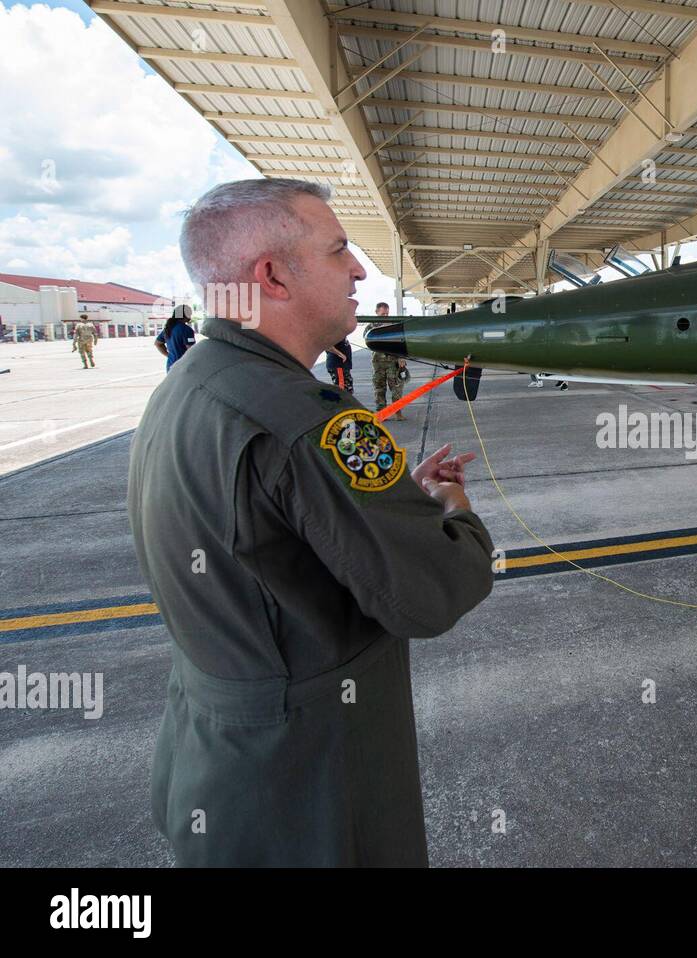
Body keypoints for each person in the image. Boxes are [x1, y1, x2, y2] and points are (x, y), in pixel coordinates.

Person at [127, 178, 495, 866]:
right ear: (271, 276)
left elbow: (267, 541)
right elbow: (437, 587)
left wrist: (374, 507)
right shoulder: (308, 421)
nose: (358, 269)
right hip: (311, 793)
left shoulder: (185, 388)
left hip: (218, 766)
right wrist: (453, 508)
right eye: (338, 251)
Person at [370, 301, 407, 420]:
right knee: (379, 387)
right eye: (382, 314)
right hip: (378, 363)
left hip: (393, 362)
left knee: (397, 387)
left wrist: (402, 357)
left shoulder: (393, 326)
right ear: (376, 313)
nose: (385, 317)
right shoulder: (371, 327)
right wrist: (380, 328)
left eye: (387, 314)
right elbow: (367, 339)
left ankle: (397, 412)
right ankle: (382, 413)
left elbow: (402, 342)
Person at [153, 304, 196, 371]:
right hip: (183, 367)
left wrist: (169, 355)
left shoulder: (168, 328)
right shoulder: (187, 330)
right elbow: (191, 351)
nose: (190, 317)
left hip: (170, 365)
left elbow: (157, 343)